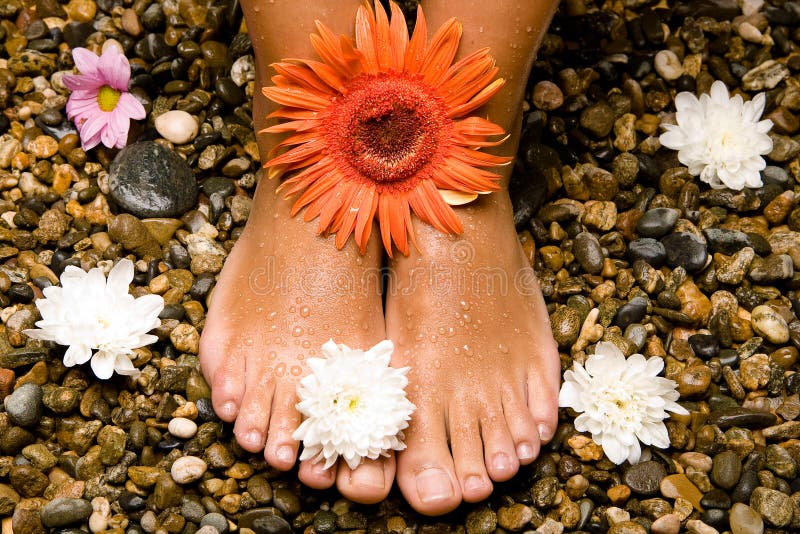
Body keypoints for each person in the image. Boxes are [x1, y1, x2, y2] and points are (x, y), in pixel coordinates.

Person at [200, 0, 561, 516]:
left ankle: (477, 141)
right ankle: (298, 149)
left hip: (438, 132)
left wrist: (456, 151)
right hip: (331, 138)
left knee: (477, 78)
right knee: (307, 64)